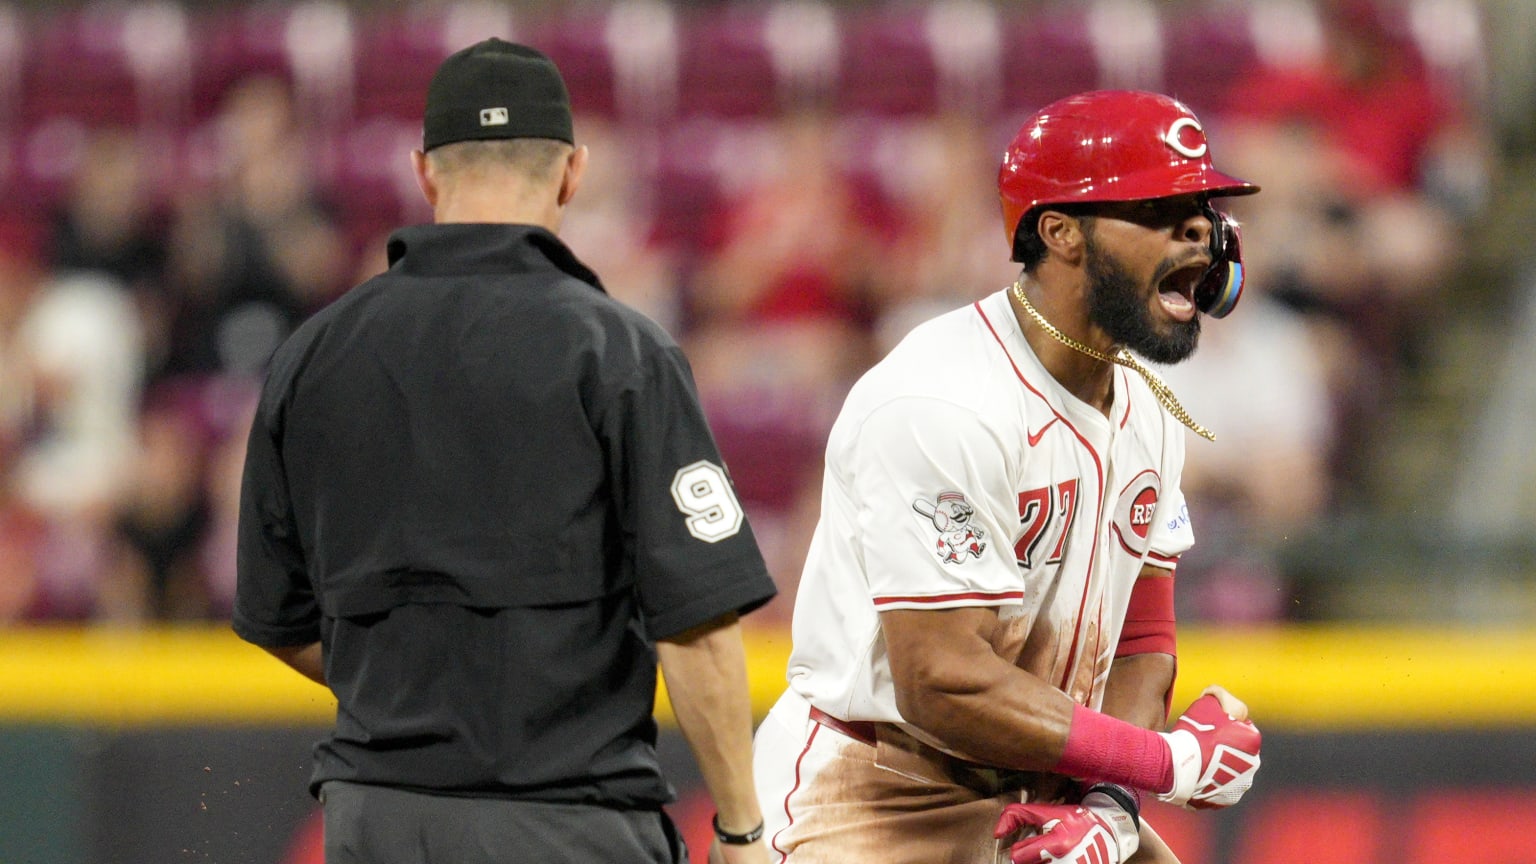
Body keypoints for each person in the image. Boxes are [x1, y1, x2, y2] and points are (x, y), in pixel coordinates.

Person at [232, 39, 778, 864]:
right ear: (572, 172)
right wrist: (740, 826)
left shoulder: (313, 353)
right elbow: (698, 622)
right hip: (565, 818)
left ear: (423, 171)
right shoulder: (621, 352)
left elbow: (273, 614)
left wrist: (412, 686)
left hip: (373, 821)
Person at [751, 90, 1266, 864]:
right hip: (878, 787)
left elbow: (1141, 637)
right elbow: (945, 680)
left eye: (1200, 205)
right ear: (1059, 232)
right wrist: (1167, 764)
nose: (1199, 227)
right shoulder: (943, 399)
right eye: (1159, 205)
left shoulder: (1148, 409)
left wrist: (1111, 807)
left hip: (1050, 777)